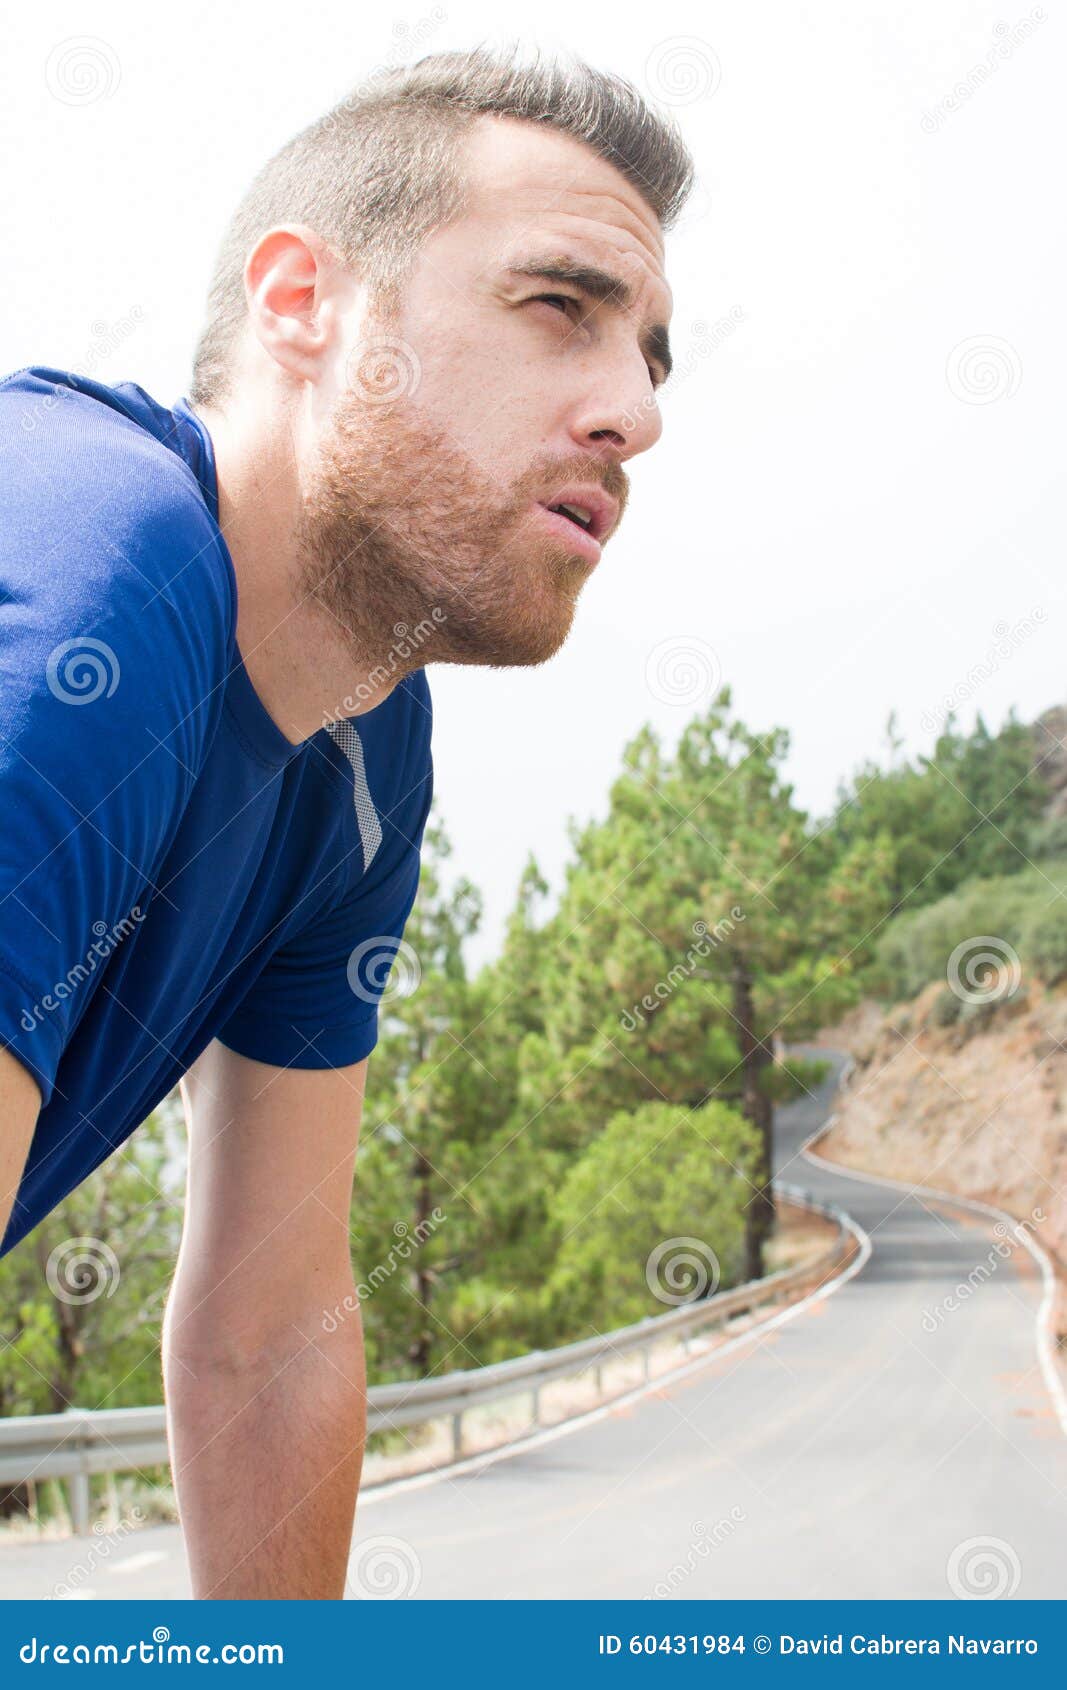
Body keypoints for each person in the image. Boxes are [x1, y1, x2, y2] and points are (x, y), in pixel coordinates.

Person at [0, 45, 690, 1598]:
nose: (635, 411)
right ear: (303, 303)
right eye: (557, 309)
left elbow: (271, 1331)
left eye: (653, 356)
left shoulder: (363, 749)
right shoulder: (93, 577)